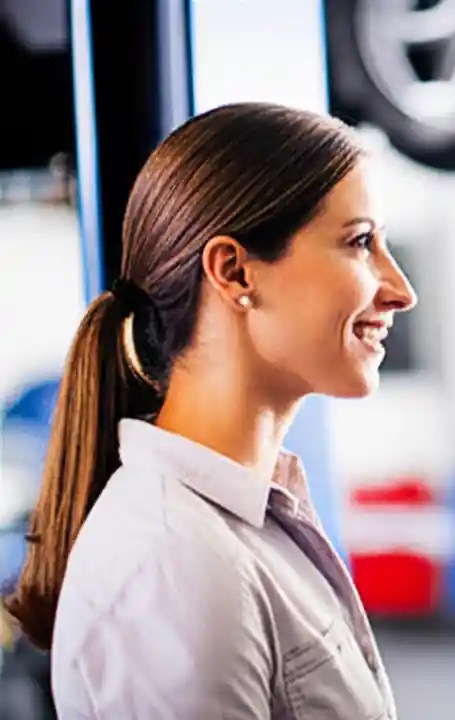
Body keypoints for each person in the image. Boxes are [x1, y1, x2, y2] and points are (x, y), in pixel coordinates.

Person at [3, 102, 417, 718]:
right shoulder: (174, 563)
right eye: (360, 242)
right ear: (234, 271)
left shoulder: (244, 523)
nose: (400, 290)